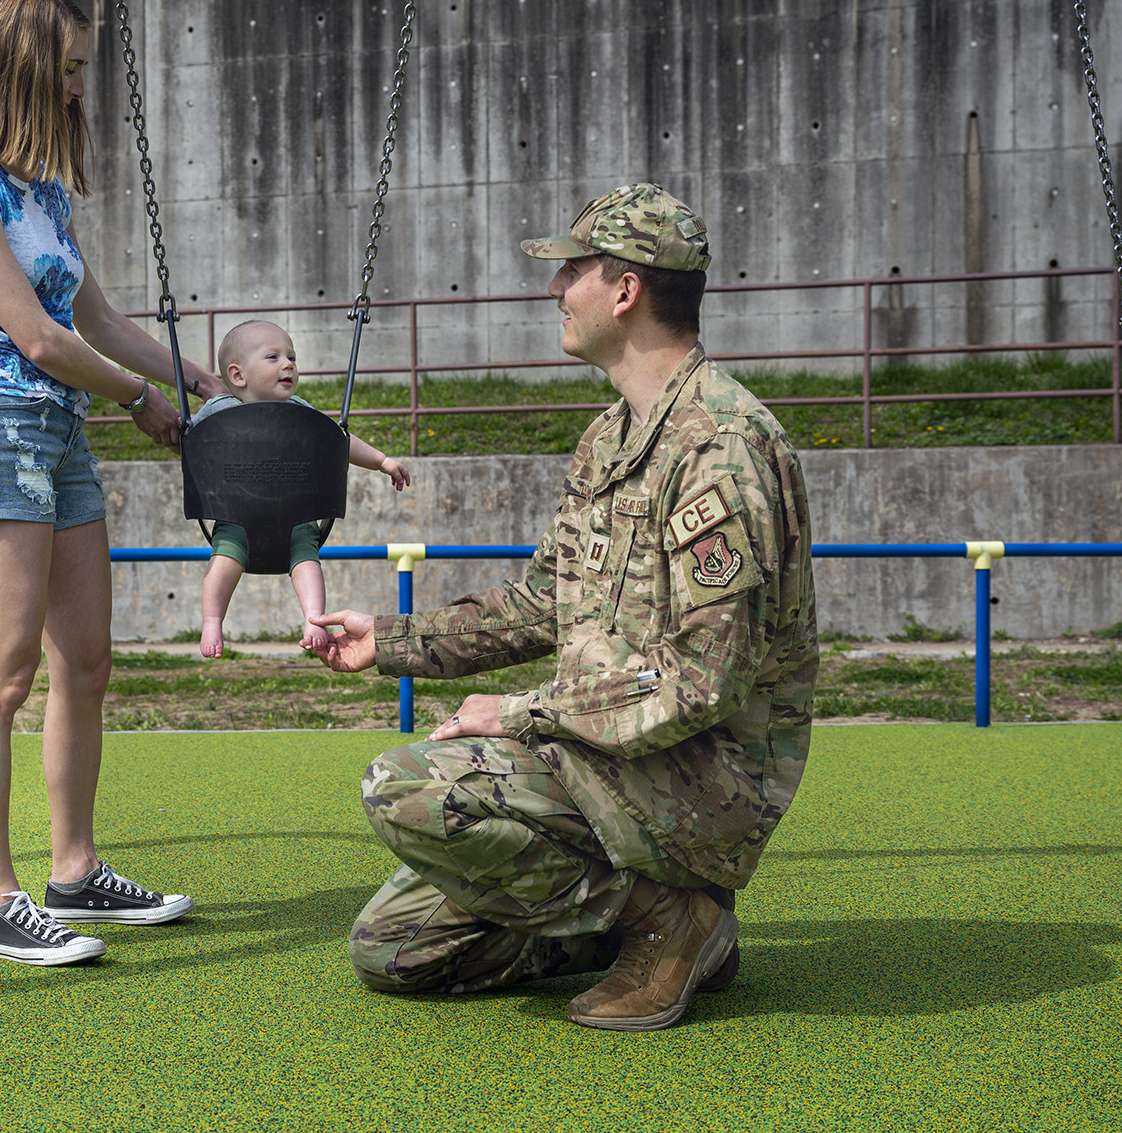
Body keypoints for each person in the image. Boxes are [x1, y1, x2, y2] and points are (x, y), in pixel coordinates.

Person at [311, 183, 818, 1031]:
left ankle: (672, 918)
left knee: (404, 788)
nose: (556, 289)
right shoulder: (610, 436)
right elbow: (547, 600)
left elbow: (704, 685)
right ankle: (661, 927)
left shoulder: (721, 448)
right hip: (607, 755)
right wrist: (394, 640)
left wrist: (521, 714)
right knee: (395, 947)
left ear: (624, 291)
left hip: (697, 780)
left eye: (573, 270)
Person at [0, 0, 225, 967]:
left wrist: (209, 383)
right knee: (0, 676)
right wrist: (138, 400)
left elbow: (102, 322)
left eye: (87, 70)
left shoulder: (41, 189)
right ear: (25, 68)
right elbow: (37, 339)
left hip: (57, 433)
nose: (82, 88)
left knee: (85, 661)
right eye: (72, 69)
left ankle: (75, 872)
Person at [194, 320, 411, 658]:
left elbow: (337, 441)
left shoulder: (302, 412)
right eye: (273, 357)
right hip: (237, 514)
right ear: (238, 376)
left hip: (295, 516)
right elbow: (191, 444)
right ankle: (211, 620)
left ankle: (314, 620)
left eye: (291, 357)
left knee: (307, 562)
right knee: (222, 562)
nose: (289, 364)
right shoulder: (218, 412)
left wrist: (381, 461)